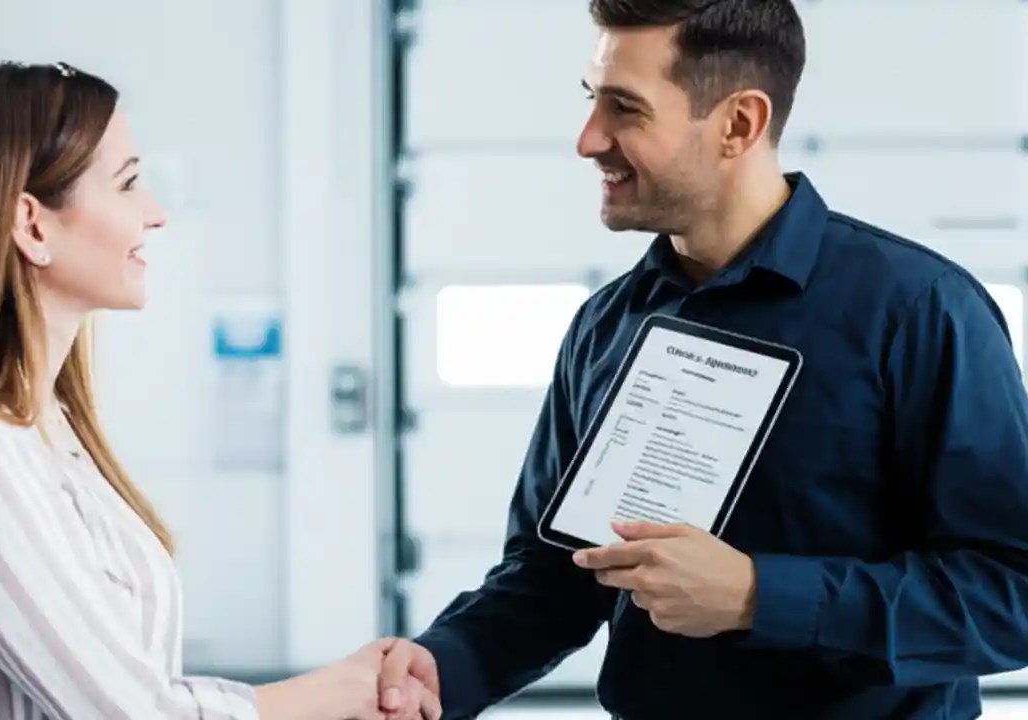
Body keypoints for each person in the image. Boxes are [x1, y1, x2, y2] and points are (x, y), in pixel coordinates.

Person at [384, 1, 1028, 718]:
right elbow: (555, 575)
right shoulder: (607, 326)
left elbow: (1012, 593)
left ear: (739, 124)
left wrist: (760, 595)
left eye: (625, 109)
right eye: (592, 101)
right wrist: (439, 668)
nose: (588, 139)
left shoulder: (917, 312)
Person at [0, 61, 441, 720]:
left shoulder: (46, 430)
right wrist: (342, 690)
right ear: (32, 225)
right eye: (127, 186)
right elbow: (133, 712)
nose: (154, 215)